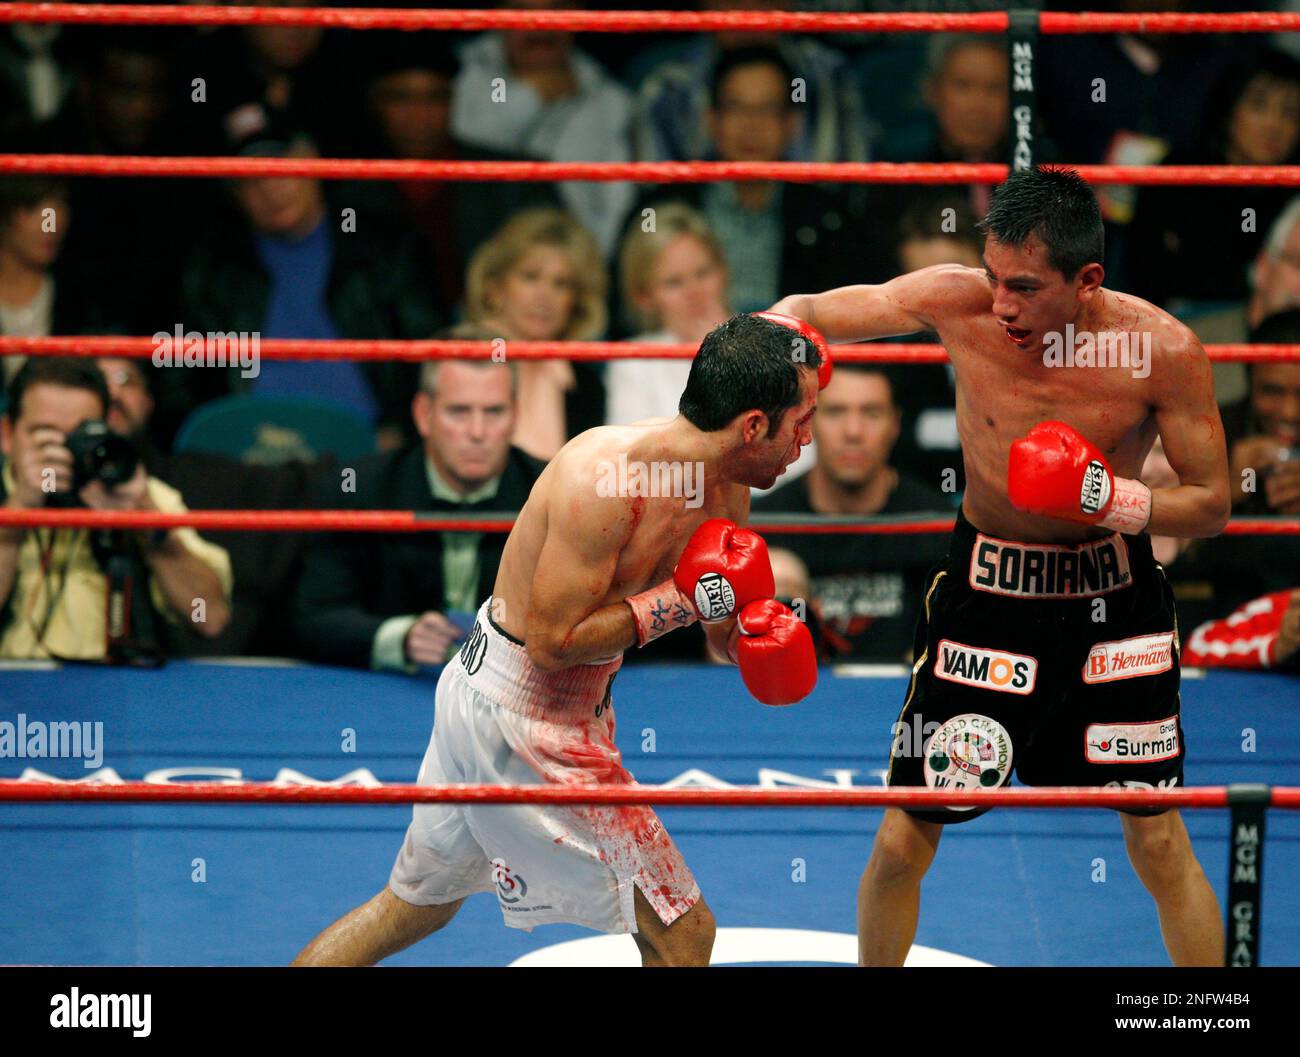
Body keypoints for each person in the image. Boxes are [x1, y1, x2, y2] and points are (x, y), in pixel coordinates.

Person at [769, 166, 1231, 966]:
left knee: (1158, 841)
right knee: (903, 835)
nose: (1002, 304)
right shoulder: (961, 300)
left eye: (1024, 286)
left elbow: (1213, 503)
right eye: (992, 278)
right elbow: (811, 312)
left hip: (1114, 604)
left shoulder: (1162, 351)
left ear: (1087, 280)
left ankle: (1212, 1018)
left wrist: (1104, 496)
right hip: (986, 596)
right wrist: (771, 334)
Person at [292, 312, 824, 967]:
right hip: (526, 713)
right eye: (799, 422)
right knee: (685, 932)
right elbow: (553, 640)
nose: (806, 439)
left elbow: (713, 622)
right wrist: (681, 599)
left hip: (528, 699)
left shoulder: (728, 491)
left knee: (413, 907)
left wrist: (750, 638)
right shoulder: (602, 479)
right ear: (751, 426)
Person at [293, 359, 546, 672]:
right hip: (385, 700)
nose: (478, 432)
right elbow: (315, 618)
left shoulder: (552, 493)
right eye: (459, 411)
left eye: (494, 412)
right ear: (423, 415)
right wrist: (399, 637)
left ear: (515, 416)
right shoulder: (356, 489)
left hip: (514, 699)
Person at [0, 358, 232, 660]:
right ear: (6, 435)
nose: (63, 450)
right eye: (46, 435)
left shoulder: (146, 497)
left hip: (120, 688)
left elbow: (208, 619)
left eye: (80, 434)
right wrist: (15, 516)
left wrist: (151, 527)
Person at [754, 365, 950, 662]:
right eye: (835, 412)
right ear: (807, 424)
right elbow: (716, 659)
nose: (853, 432)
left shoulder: (937, 524)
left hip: (901, 701)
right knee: (778, 573)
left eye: (871, 413)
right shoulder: (764, 524)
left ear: (895, 424)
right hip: (794, 702)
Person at [458, 208, 608, 461]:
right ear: (495, 287)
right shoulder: (456, 360)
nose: (544, 297)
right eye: (530, 277)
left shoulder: (587, 387)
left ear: (575, 302)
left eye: (561, 284)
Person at [606, 202, 731, 426]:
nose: (694, 292)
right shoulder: (632, 363)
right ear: (644, 297)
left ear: (722, 270)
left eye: (703, 273)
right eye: (673, 283)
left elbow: (799, 455)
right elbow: (632, 454)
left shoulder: (770, 342)